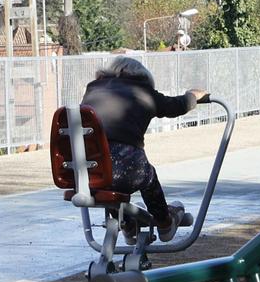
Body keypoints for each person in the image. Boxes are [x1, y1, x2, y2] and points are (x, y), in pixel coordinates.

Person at [81, 56, 207, 242]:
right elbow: (177, 106)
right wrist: (193, 96)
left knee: (108, 174)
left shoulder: (93, 89)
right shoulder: (143, 91)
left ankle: (128, 225)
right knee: (147, 176)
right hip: (126, 172)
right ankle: (164, 223)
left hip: (86, 173)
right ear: (141, 77)